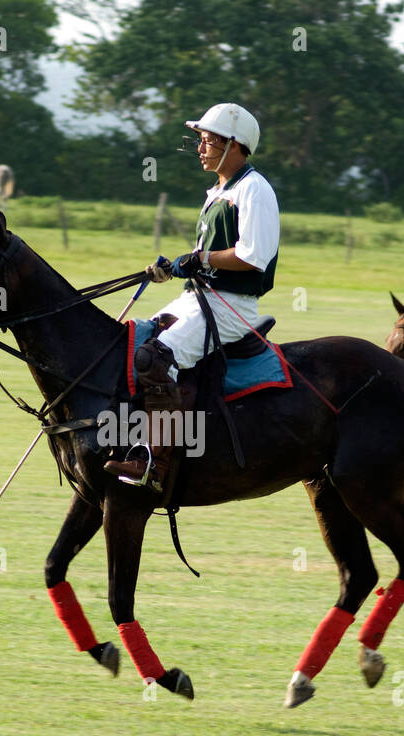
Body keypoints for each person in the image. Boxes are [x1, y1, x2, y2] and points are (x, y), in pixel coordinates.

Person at [104, 103, 280, 492]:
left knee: (155, 358)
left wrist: (199, 258)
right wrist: (176, 268)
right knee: (133, 340)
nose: (200, 149)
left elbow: (253, 256)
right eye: (199, 141)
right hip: (201, 298)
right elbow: (209, 258)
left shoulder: (254, 189)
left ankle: (152, 461)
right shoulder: (218, 191)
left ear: (234, 144)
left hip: (232, 305)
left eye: (207, 141)